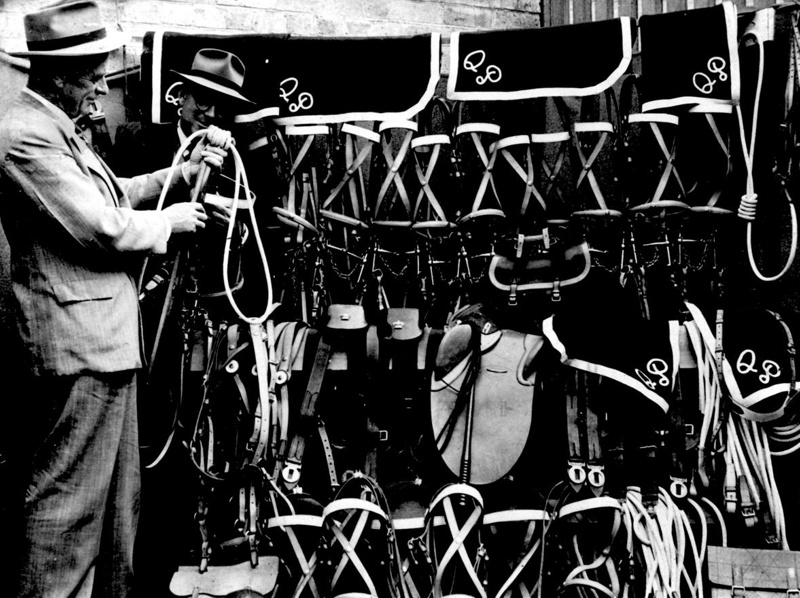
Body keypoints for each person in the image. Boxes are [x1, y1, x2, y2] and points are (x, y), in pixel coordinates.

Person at [0, 2, 234, 597]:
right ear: (58, 75)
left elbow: (116, 193)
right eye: (93, 72)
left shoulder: (57, 131)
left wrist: (173, 181)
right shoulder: (23, 136)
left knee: (113, 515)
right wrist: (171, 223)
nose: (103, 84)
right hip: (77, 350)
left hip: (106, 346)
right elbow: (98, 228)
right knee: (66, 514)